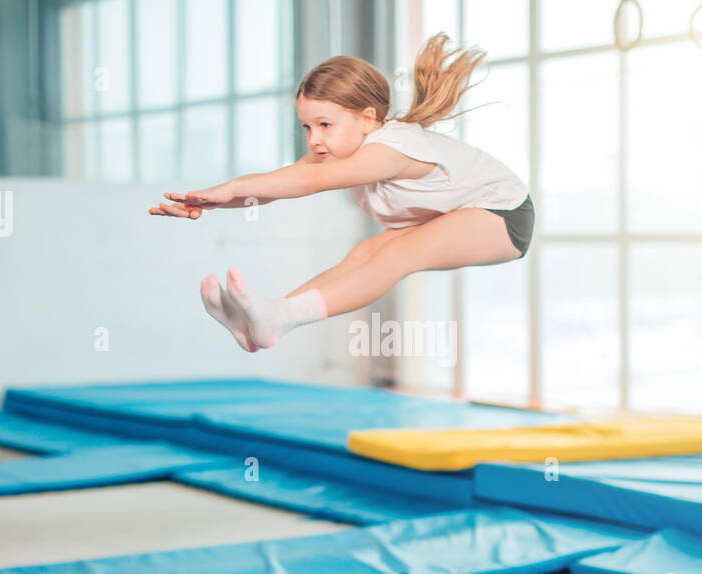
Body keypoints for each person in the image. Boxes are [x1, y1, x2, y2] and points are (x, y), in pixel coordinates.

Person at [150, 32, 534, 352]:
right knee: (365, 253)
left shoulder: (389, 150)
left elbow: (308, 182)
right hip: (458, 214)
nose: (314, 140)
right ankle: (265, 325)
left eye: (324, 125)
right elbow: (276, 185)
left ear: (367, 119)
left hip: (504, 214)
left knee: (398, 253)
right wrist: (210, 200)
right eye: (306, 127)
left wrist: (230, 187)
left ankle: (276, 318)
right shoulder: (342, 150)